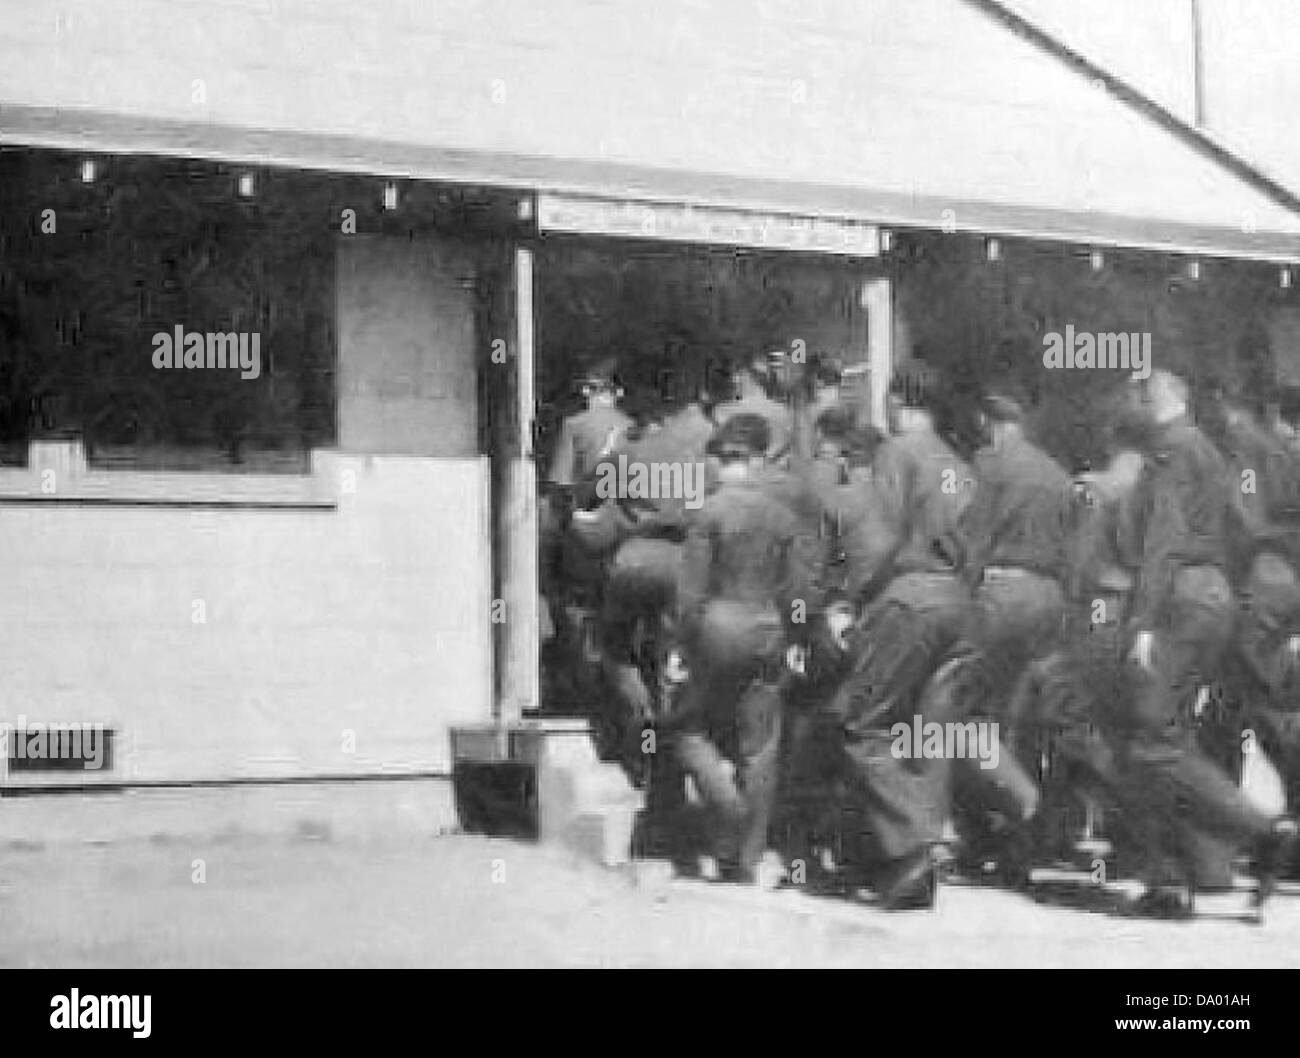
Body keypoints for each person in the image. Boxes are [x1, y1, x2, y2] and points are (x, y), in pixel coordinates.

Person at [1110, 369, 1295, 916]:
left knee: (1151, 740)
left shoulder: (1172, 452)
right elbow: (1239, 530)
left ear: (1154, 403)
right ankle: (1178, 876)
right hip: (1212, 596)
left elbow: (1164, 540)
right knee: (1169, 738)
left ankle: (1261, 835)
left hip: (1180, 597)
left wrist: (1142, 621)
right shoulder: (1209, 451)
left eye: (1134, 404)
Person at [820, 371, 974, 908]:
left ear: (898, 402)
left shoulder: (897, 454)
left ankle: (911, 850)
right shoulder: (958, 463)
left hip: (909, 597)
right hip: (959, 600)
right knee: (928, 734)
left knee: (860, 723)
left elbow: (880, 537)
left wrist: (848, 602)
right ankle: (922, 851)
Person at [665, 413, 820, 884]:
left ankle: (725, 803)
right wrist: (795, 638)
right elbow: (799, 591)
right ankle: (747, 859)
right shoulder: (782, 515)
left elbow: (689, 594)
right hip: (767, 628)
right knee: (762, 747)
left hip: (716, 626)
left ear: (723, 462)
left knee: (685, 726)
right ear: (755, 462)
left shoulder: (707, 512)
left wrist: (678, 646)